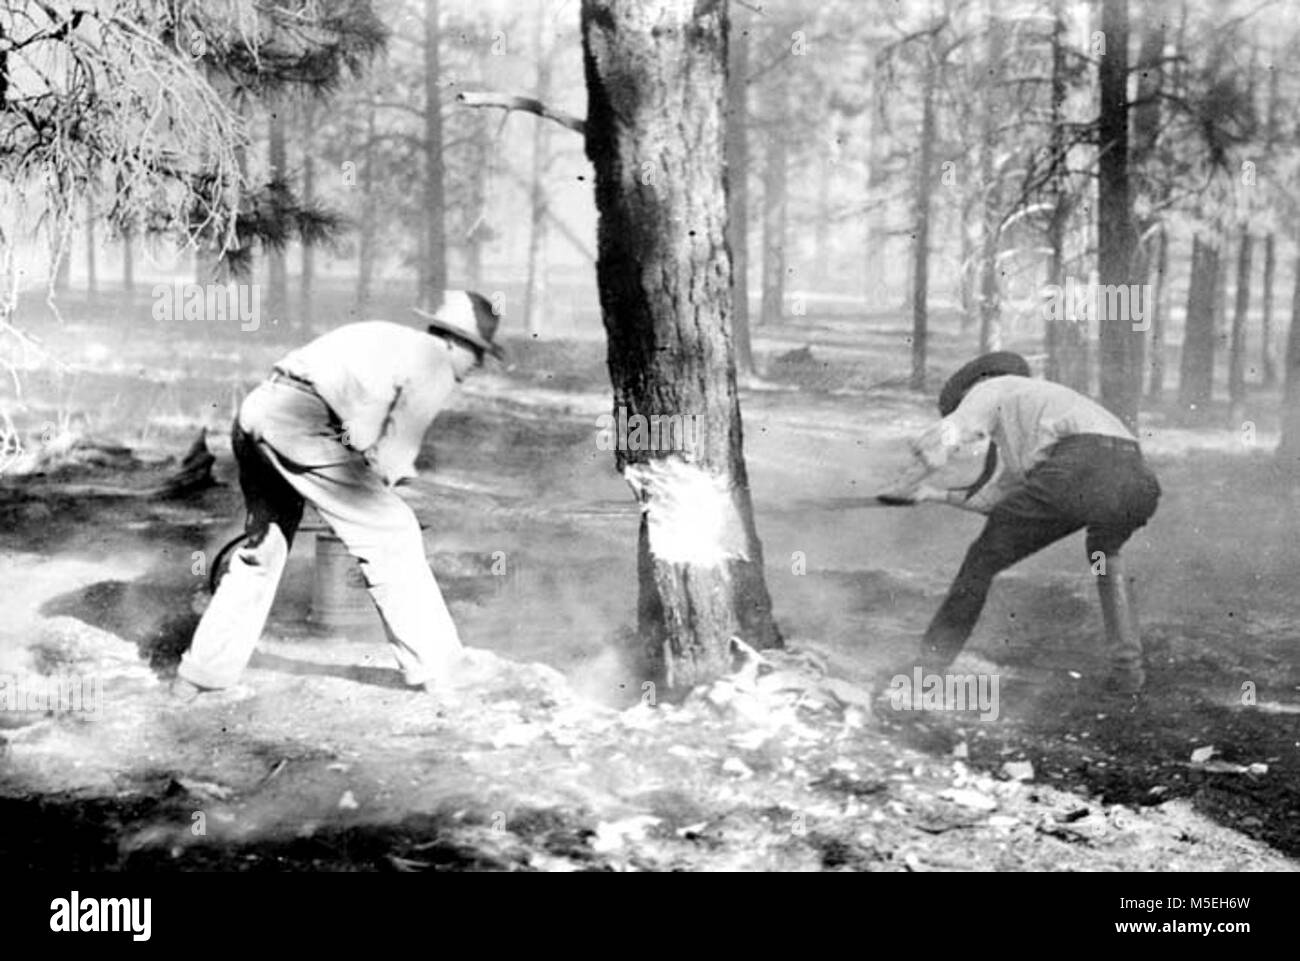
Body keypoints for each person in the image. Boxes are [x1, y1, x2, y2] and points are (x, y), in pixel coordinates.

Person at [172, 291, 504, 701]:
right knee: (393, 531)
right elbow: (391, 455)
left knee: (265, 549)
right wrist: (380, 486)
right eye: (477, 354)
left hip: (258, 410)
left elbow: (358, 428)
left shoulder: (390, 339)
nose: (477, 366)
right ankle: (441, 669)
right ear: (455, 342)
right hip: (298, 422)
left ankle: (200, 674)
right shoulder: (436, 361)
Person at [879, 351, 1161, 694]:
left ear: (976, 383)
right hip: (1136, 480)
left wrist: (905, 483)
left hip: (1079, 469)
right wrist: (928, 493)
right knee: (1105, 553)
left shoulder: (993, 388)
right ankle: (1128, 671)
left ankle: (928, 671)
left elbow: (949, 435)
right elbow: (993, 500)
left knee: (981, 562)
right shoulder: (1042, 411)